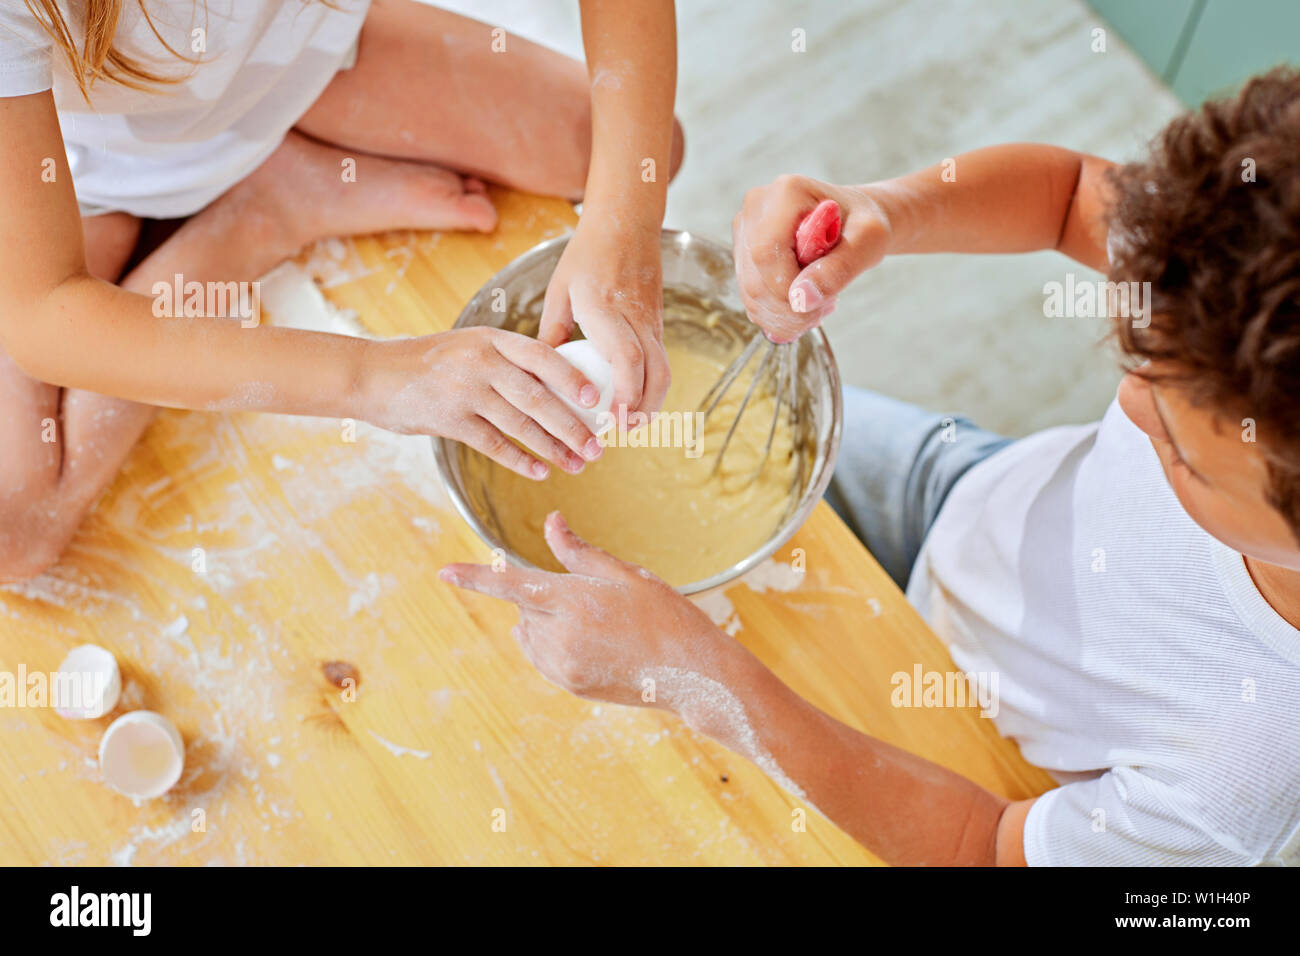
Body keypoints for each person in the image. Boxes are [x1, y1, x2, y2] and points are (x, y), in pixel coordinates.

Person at [441, 68, 1300, 866]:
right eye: (1145, 364)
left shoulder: (1240, 778)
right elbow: (1071, 195)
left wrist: (709, 680)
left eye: (1183, 453)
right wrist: (887, 211)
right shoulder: (1248, 258)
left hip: (968, 739)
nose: (1131, 407)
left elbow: (983, 844)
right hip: (956, 494)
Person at [0, 0, 682, 582]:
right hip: (77, 178)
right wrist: (381, 377)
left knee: (634, 146)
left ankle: (277, 181)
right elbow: (43, 314)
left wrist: (625, 223)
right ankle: (269, 212)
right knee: (17, 527)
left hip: (300, 68)